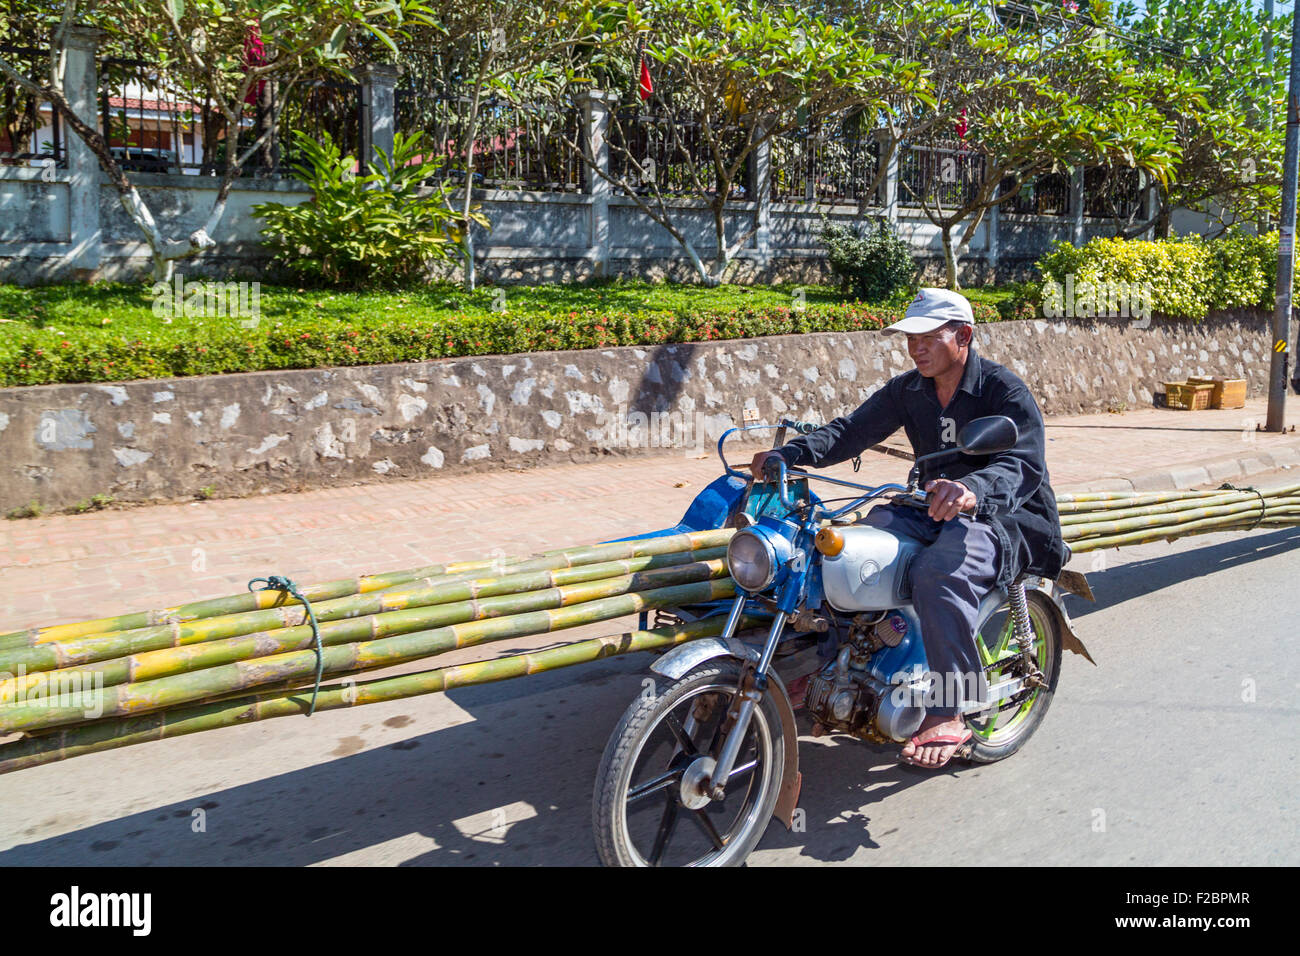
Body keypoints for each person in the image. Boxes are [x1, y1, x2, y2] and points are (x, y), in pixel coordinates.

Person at [749, 287, 1069, 770]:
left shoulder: (1003, 392)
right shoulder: (910, 390)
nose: (915, 347)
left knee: (938, 573)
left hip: (1006, 515)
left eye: (926, 337)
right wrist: (790, 455)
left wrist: (973, 489)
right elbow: (851, 430)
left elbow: (1022, 466)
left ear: (963, 335)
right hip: (927, 502)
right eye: (909, 338)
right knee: (843, 554)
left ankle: (950, 707)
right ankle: (836, 667)